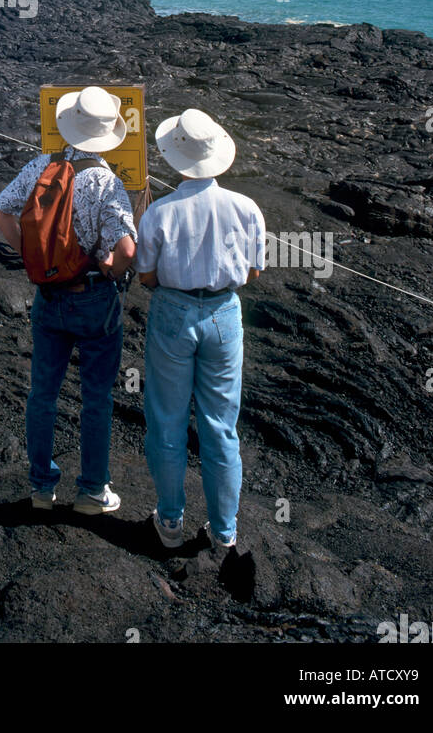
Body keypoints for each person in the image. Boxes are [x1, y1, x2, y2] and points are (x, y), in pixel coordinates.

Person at [0, 86, 136, 516]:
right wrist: (109, 270)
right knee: (96, 396)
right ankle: (91, 491)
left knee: (43, 394)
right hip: (93, 297)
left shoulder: (42, 165)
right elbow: (126, 251)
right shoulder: (106, 181)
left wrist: (32, 259)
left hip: (48, 296)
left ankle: (41, 487)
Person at [135, 108, 265, 555]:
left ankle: (170, 519)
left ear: (176, 156)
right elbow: (252, 271)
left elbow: (146, 276)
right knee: (220, 427)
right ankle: (224, 531)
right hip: (224, 314)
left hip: (173, 311)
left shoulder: (159, 212)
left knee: (166, 424)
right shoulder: (246, 208)